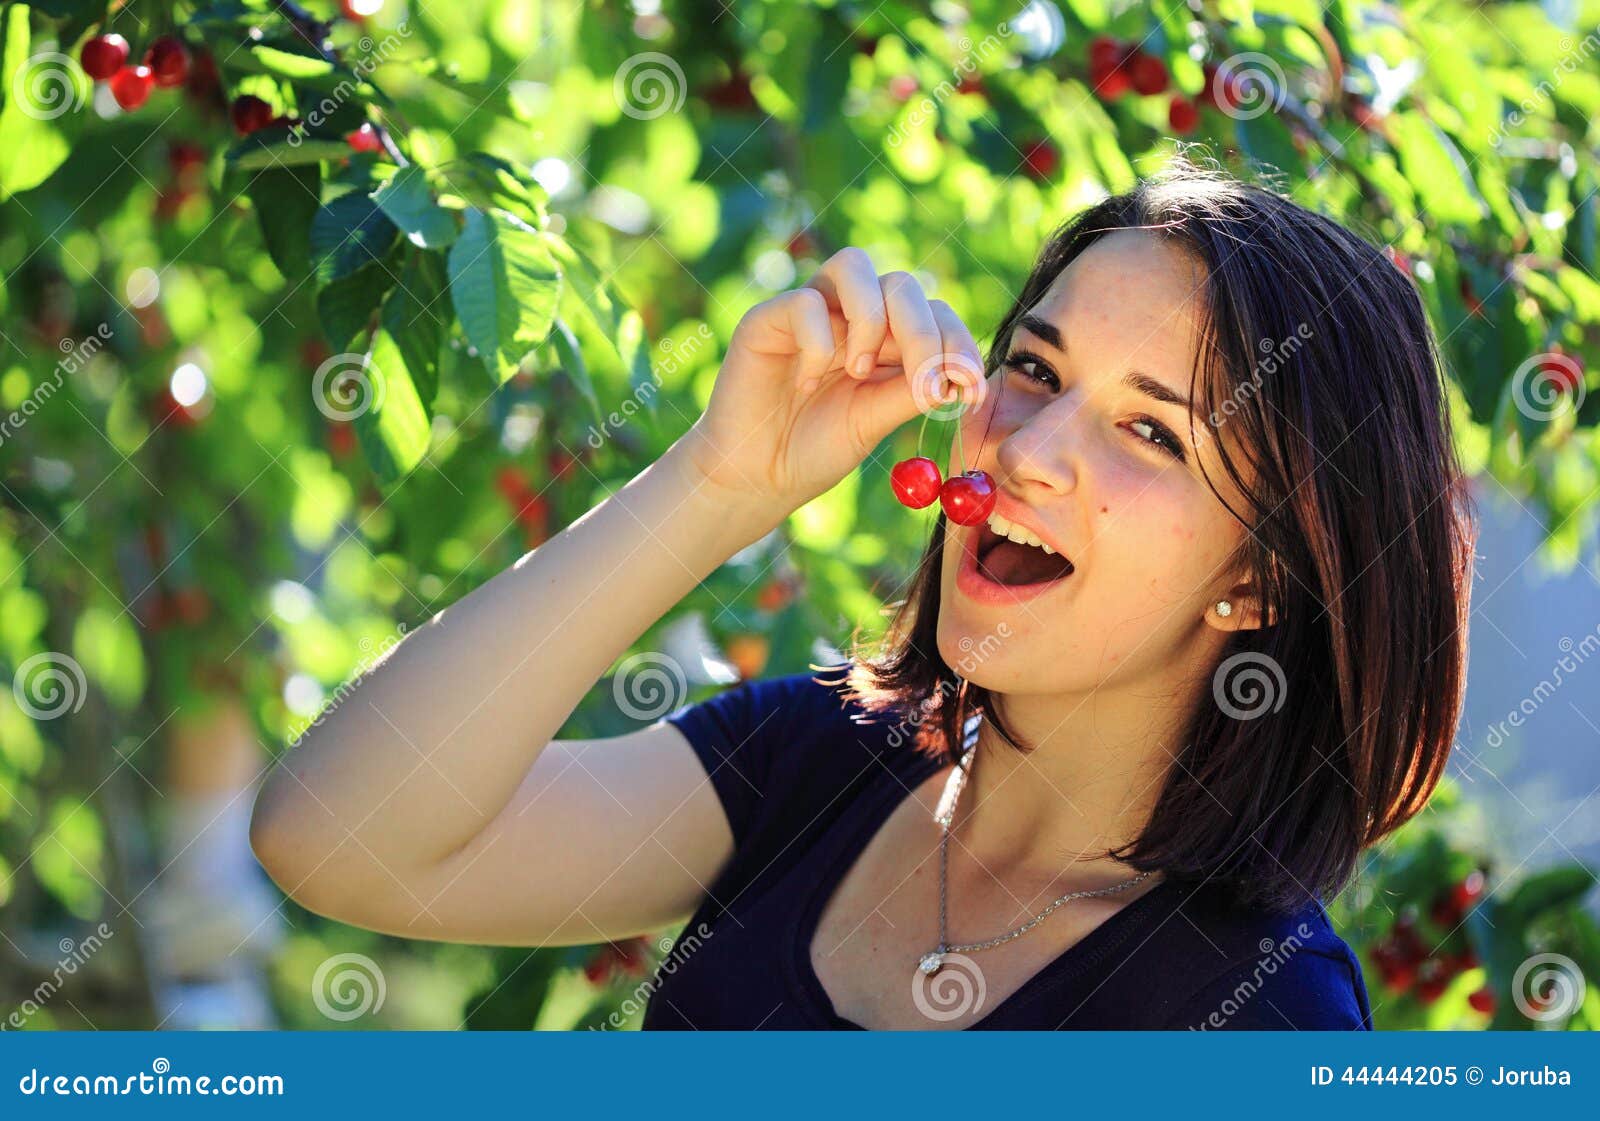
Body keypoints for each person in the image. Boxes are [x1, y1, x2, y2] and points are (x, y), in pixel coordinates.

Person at [249, 160, 1475, 1029]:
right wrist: (720, 485)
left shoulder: (1254, 1012)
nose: (1028, 445)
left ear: (1262, 579)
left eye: (1151, 432)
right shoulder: (821, 756)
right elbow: (333, 839)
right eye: (1034, 367)